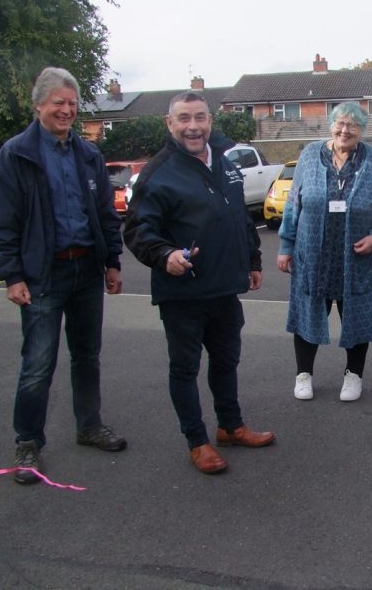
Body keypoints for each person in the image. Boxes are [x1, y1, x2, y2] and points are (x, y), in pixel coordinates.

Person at [0, 67, 127, 485]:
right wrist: (11, 276)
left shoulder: (88, 155)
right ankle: (28, 442)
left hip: (86, 270)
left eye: (72, 104)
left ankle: (89, 426)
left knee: (87, 356)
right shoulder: (16, 154)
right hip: (42, 274)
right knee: (38, 363)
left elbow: (104, 215)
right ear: (39, 105)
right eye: (59, 102)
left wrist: (112, 262)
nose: (66, 110)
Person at [123, 92, 274, 474]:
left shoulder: (224, 161)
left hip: (225, 287)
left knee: (226, 361)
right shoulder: (158, 171)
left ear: (210, 121)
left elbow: (239, 216)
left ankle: (230, 425)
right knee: (185, 369)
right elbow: (138, 229)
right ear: (170, 124)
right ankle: (197, 441)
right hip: (183, 291)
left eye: (200, 118)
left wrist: (252, 261)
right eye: (184, 119)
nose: (194, 126)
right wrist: (164, 255)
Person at [277, 102, 372, 402]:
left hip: (357, 257)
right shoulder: (310, 155)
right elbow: (293, 204)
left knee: (356, 318)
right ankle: (303, 374)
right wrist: (286, 246)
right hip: (313, 256)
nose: (345, 130)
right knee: (307, 314)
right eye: (340, 123)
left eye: (353, 125)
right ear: (331, 124)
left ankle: (353, 375)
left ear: (361, 130)